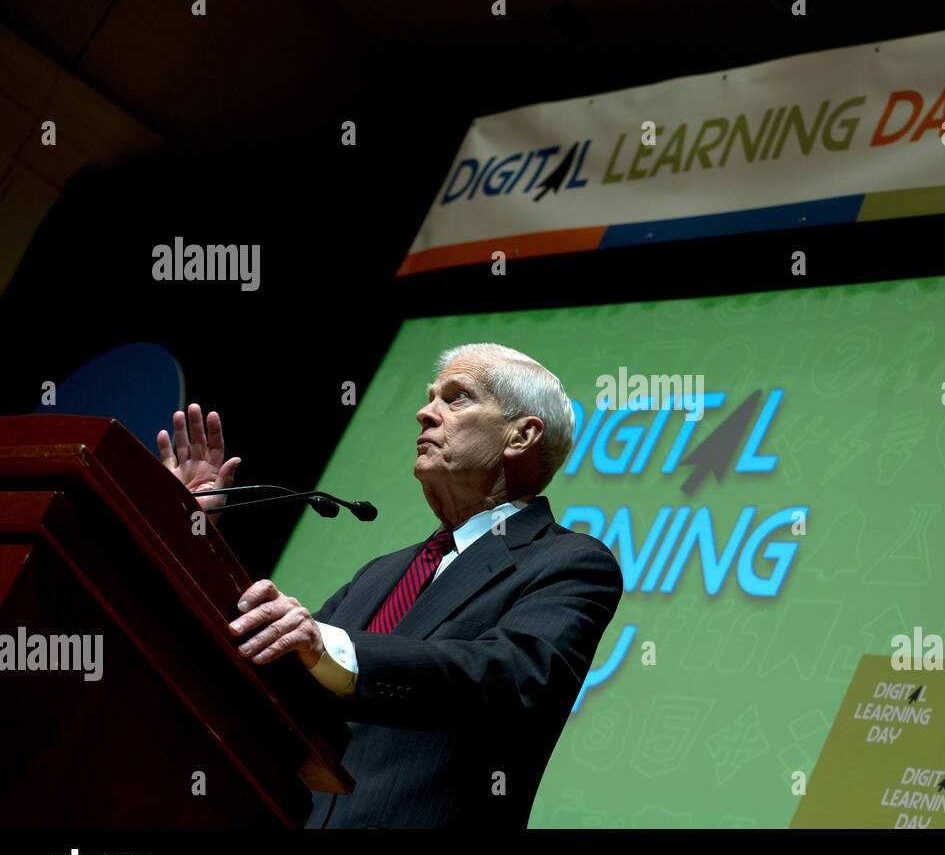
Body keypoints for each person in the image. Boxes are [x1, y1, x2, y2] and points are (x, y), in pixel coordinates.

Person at [157, 343, 623, 827]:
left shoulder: (569, 561)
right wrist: (185, 532)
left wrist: (332, 645)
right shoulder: (381, 574)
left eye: (457, 398)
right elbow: (264, 665)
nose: (425, 413)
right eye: (429, 397)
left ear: (521, 435)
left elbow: (514, 677)